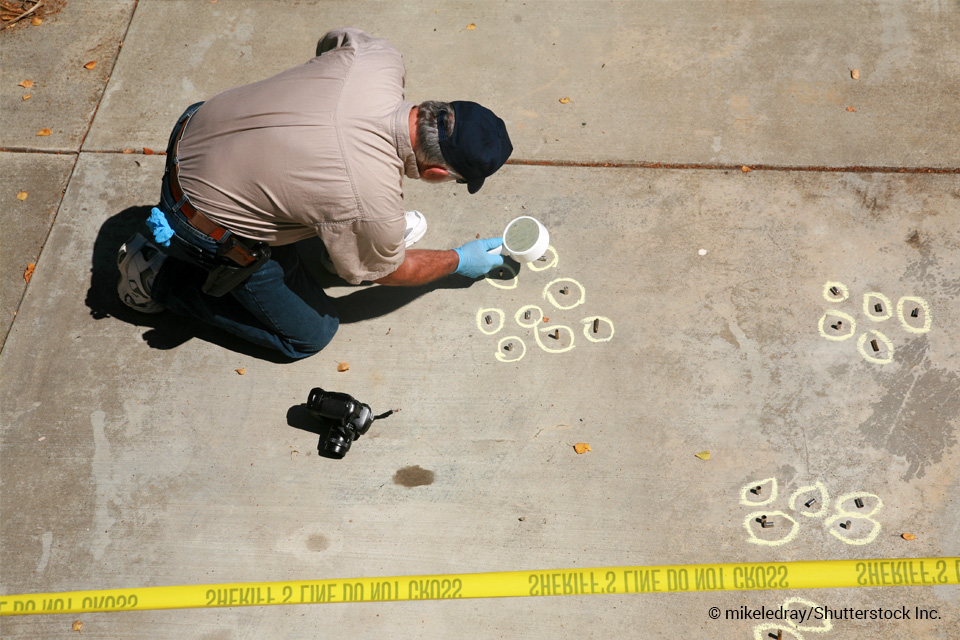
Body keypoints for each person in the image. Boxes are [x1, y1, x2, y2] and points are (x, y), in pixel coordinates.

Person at [117, 27, 512, 359]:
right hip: (198, 216)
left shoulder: (378, 58)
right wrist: (458, 261)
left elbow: (330, 45)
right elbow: (393, 272)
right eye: (456, 180)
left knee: (334, 201)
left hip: (198, 127)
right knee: (311, 334)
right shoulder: (368, 201)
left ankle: (349, 245)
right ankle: (157, 276)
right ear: (440, 171)